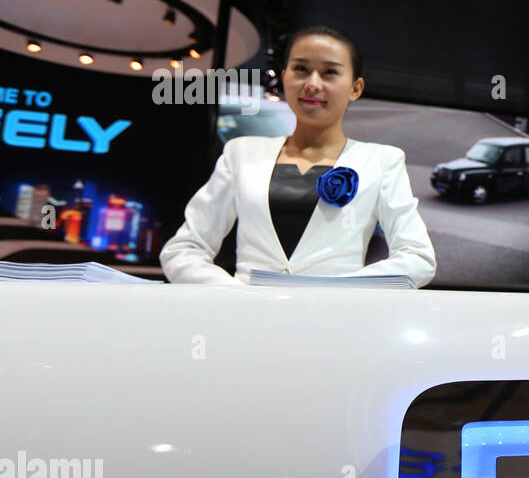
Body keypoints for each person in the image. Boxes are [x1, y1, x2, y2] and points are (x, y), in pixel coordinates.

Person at [161, 25, 437, 287]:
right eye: (301, 69)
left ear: (355, 88)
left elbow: (418, 258)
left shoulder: (382, 161)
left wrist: (342, 291)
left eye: (330, 72)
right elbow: (184, 248)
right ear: (284, 77)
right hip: (247, 321)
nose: (313, 83)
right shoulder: (242, 154)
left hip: (333, 324)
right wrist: (232, 293)